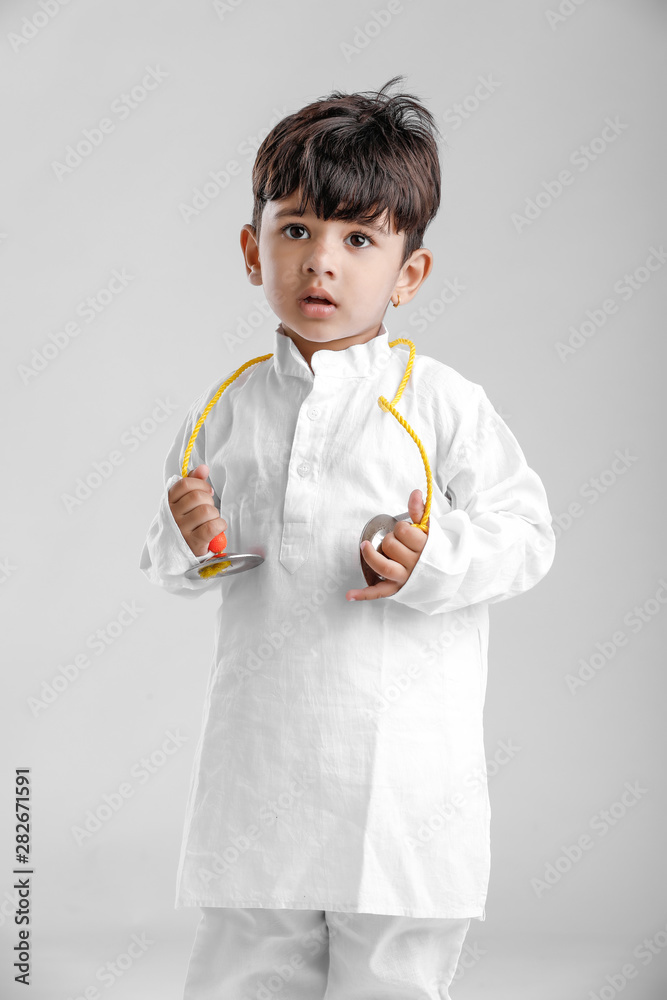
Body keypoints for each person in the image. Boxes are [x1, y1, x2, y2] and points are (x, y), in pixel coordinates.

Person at [140, 75, 556, 1000]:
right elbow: (175, 560)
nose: (320, 262)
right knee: (244, 975)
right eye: (296, 231)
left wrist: (431, 557)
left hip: (404, 789)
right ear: (253, 252)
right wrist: (192, 539)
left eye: (358, 238)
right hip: (260, 774)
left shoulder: (441, 403)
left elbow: (526, 536)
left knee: (391, 981)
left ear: (408, 273)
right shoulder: (225, 412)